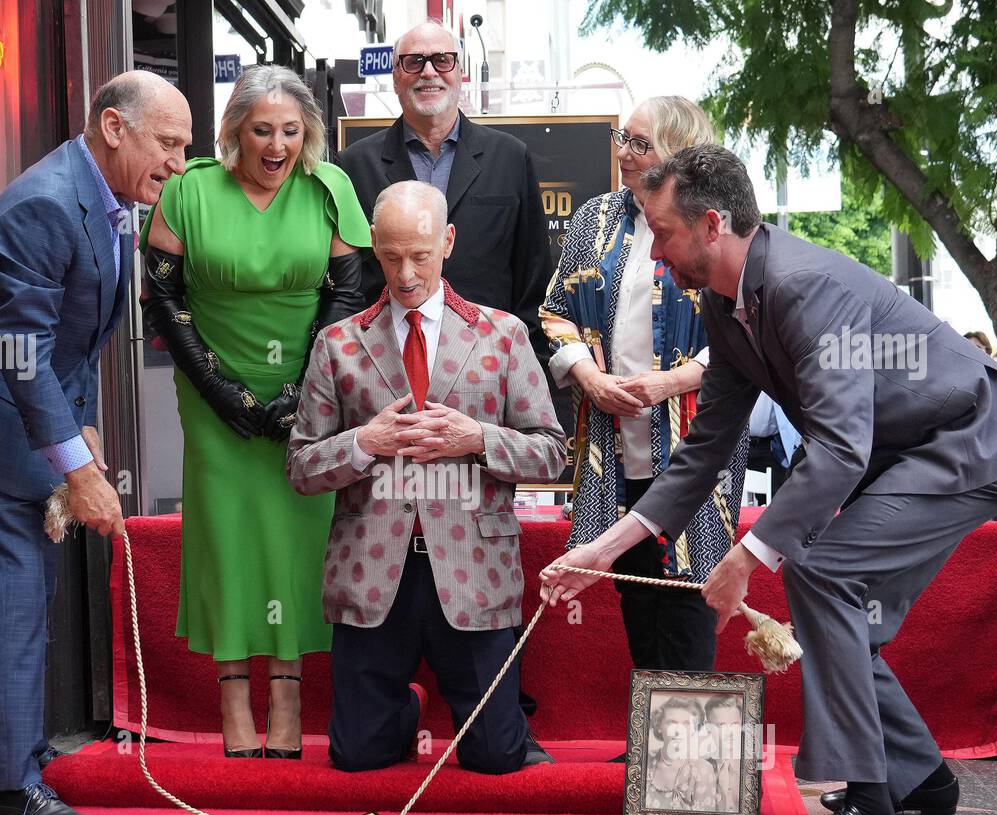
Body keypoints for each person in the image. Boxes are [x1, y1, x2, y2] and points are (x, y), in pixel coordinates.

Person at [540, 145, 997, 815]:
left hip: (973, 438)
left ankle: (874, 814)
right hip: (914, 448)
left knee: (826, 575)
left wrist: (744, 558)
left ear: (711, 223)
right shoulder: (725, 301)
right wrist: (603, 550)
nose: (652, 251)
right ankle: (920, 776)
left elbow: (840, 450)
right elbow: (704, 450)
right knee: (834, 590)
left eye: (661, 232)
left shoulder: (802, 285)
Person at [0, 71, 192, 815]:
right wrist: (81, 470)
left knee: (27, 593)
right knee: (16, 592)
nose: (179, 163)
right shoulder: (44, 203)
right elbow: (22, 352)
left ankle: (19, 759)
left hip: (17, 405)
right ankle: (4, 788)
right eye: (169, 143)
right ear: (113, 126)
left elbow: (75, 340)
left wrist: (85, 427)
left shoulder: (102, 196)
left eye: (186, 147)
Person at [287, 181, 564, 774]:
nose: (405, 273)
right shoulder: (338, 343)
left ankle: (484, 722)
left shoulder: (503, 335)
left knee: (496, 758)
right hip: (371, 571)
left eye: (419, 255)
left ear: (449, 243)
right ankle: (407, 708)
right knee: (357, 757)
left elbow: (551, 454)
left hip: (475, 568)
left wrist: (478, 439)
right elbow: (301, 468)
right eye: (389, 257)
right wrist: (365, 443)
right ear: (373, 250)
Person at [140, 65, 370, 757]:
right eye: (262, 130)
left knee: (298, 536)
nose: (277, 146)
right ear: (235, 130)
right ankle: (234, 701)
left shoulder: (330, 189)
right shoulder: (187, 190)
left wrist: (303, 391)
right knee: (228, 537)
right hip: (211, 392)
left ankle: (289, 701)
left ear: (309, 135)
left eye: (291, 132)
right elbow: (164, 298)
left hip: (309, 390)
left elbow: (347, 295)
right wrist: (219, 390)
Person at [541, 96, 746, 679]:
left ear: (680, 155)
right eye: (621, 138)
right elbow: (556, 311)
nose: (625, 153)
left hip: (690, 440)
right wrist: (589, 377)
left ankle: (680, 751)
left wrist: (671, 382)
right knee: (635, 589)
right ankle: (649, 742)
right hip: (612, 442)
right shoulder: (593, 218)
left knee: (684, 593)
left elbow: (747, 329)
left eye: (640, 142)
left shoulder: (715, 227)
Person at [337, 19, 553, 380]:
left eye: (442, 60)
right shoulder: (355, 165)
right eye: (414, 62)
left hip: (490, 368)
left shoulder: (510, 158)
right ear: (395, 77)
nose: (428, 72)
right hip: (386, 372)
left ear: (460, 72)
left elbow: (533, 277)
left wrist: (530, 373)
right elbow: (350, 285)